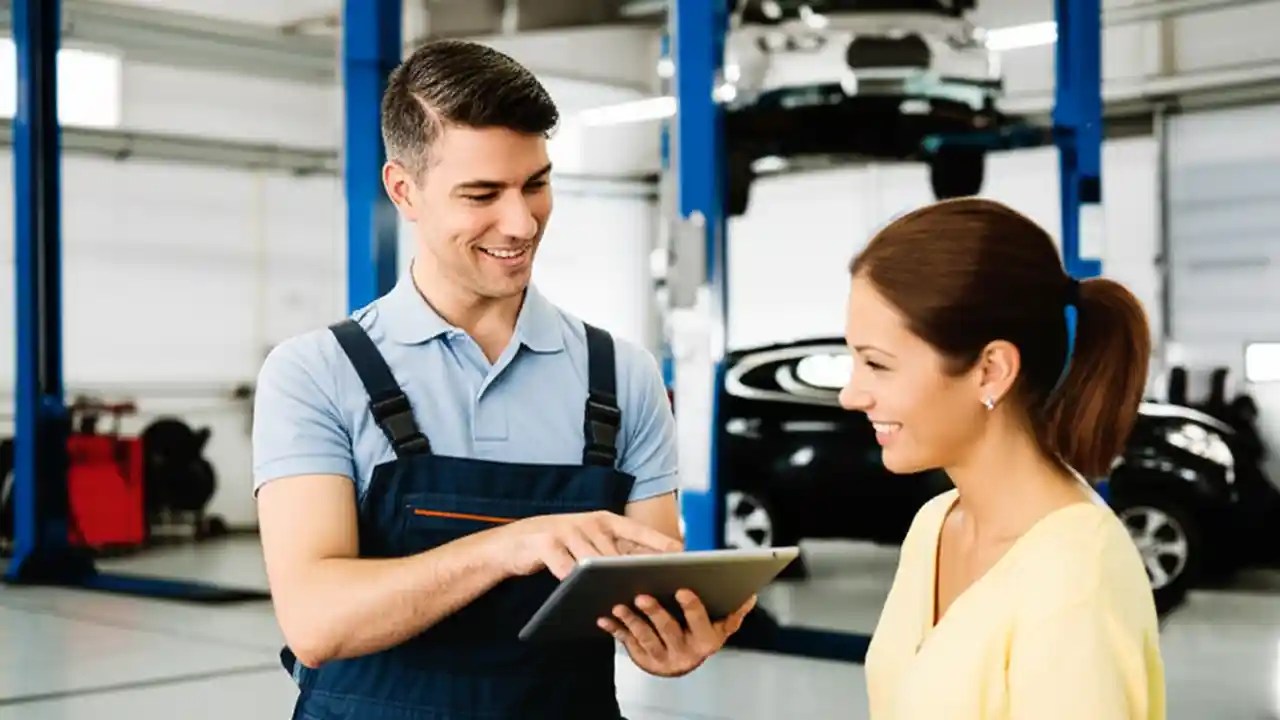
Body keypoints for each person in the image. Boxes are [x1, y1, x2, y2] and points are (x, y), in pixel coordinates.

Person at [251, 39, 754, 720]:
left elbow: (647, 590)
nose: (520, 224)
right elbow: (316, 623)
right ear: (404, 190)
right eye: (481, 194)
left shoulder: (622, 377)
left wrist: (669, 639)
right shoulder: (315, 373)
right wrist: (507, 546)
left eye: (536, 185)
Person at [840, 198, 1166, 719]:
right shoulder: (934, 526)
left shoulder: (1077, 575)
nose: (850, 395)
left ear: (991, 371)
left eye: (877, 365)